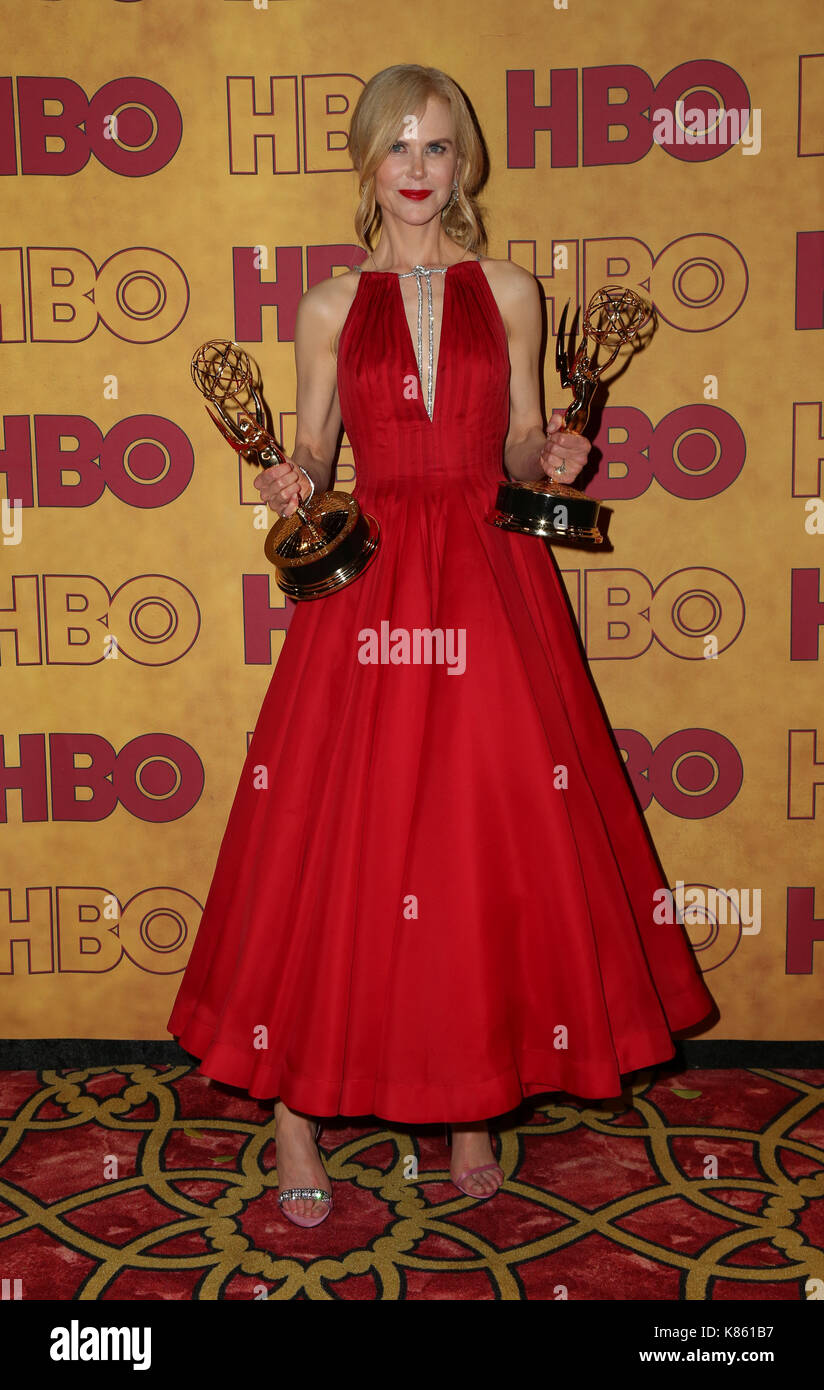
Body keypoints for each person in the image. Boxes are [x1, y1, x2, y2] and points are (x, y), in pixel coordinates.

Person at [167, 63, 715, 1228]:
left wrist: (552, 461)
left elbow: (519, 442)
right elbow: (314, 453)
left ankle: (472, 1098)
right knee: (335, 835)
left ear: (462, 164)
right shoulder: (324, 307)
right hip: (367, 582)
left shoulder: (509, 290)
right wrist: (290, 476)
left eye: (438, 149)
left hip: (485, 573)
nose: (418, 171)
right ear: (367, 165)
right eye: (398, 149)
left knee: (478, 831)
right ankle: (293, 1113)